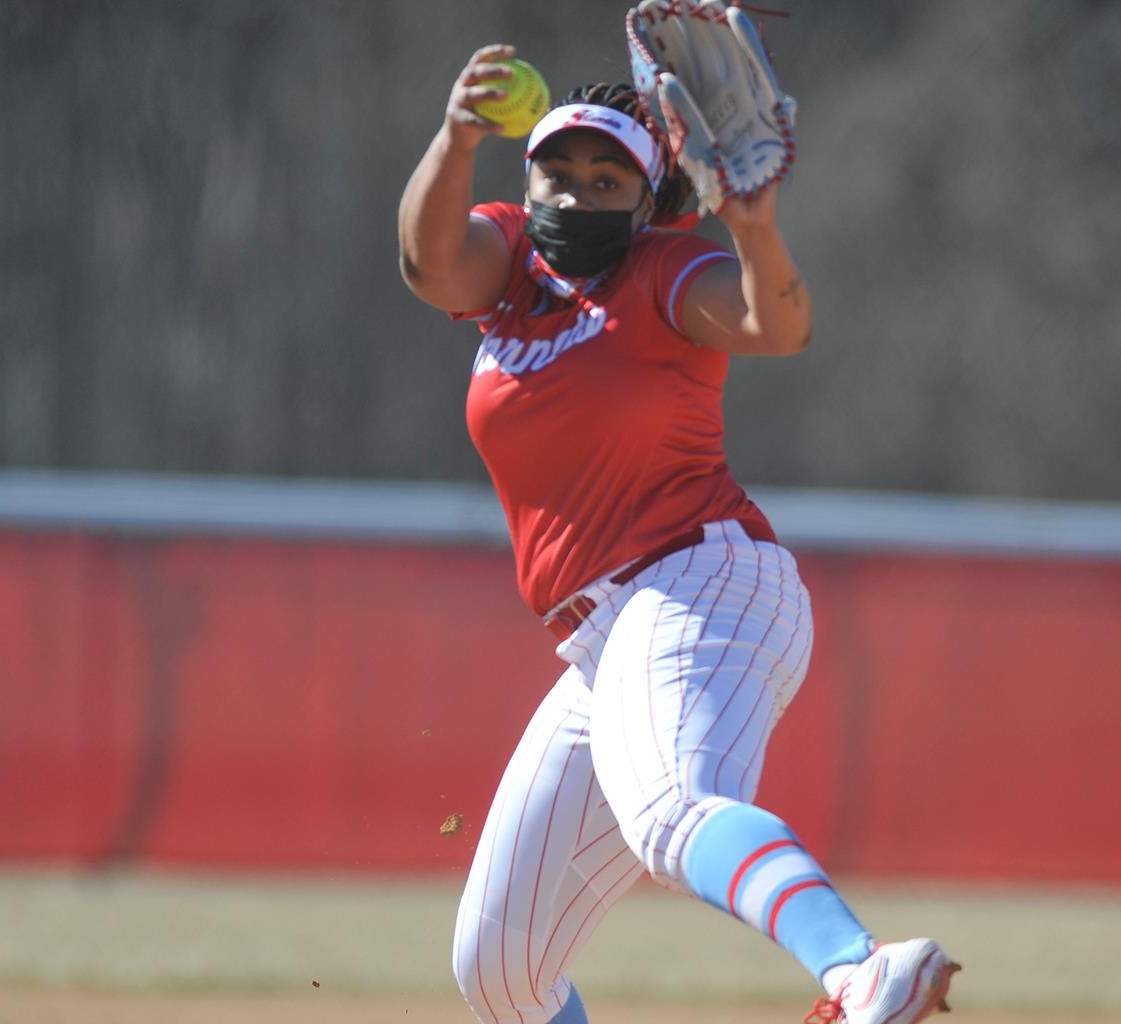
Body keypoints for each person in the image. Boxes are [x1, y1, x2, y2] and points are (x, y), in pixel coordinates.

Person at [396, 43, 960, 1024]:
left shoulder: (661, 270)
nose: (574, 195)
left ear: (644, 197)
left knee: (667, 808)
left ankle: (860, 968)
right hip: (598, 644)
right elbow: (424, 261)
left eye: (604, 177)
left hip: (700, 582)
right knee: (496, 967)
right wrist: (453, 137)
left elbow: (772, 324)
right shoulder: (510, 266)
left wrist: (755, 228)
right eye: (555, 171)